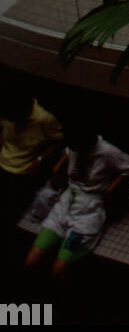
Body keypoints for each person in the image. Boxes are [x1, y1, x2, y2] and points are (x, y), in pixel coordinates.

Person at [25, 121, 129, 283]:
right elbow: (68, 152)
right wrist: (57, 168)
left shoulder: (107, 151)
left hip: (87, 215)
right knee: (31, 261)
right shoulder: (74, 145)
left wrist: (110, 190)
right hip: (65, 206)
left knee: (58, 269)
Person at [0, 84, 63, 230]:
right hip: (3, 160)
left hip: (23, 169)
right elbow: (4, 128)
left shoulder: (44, 119)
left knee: (10, 210)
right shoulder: (8, 109)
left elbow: (59, 140)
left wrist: (40, 159)